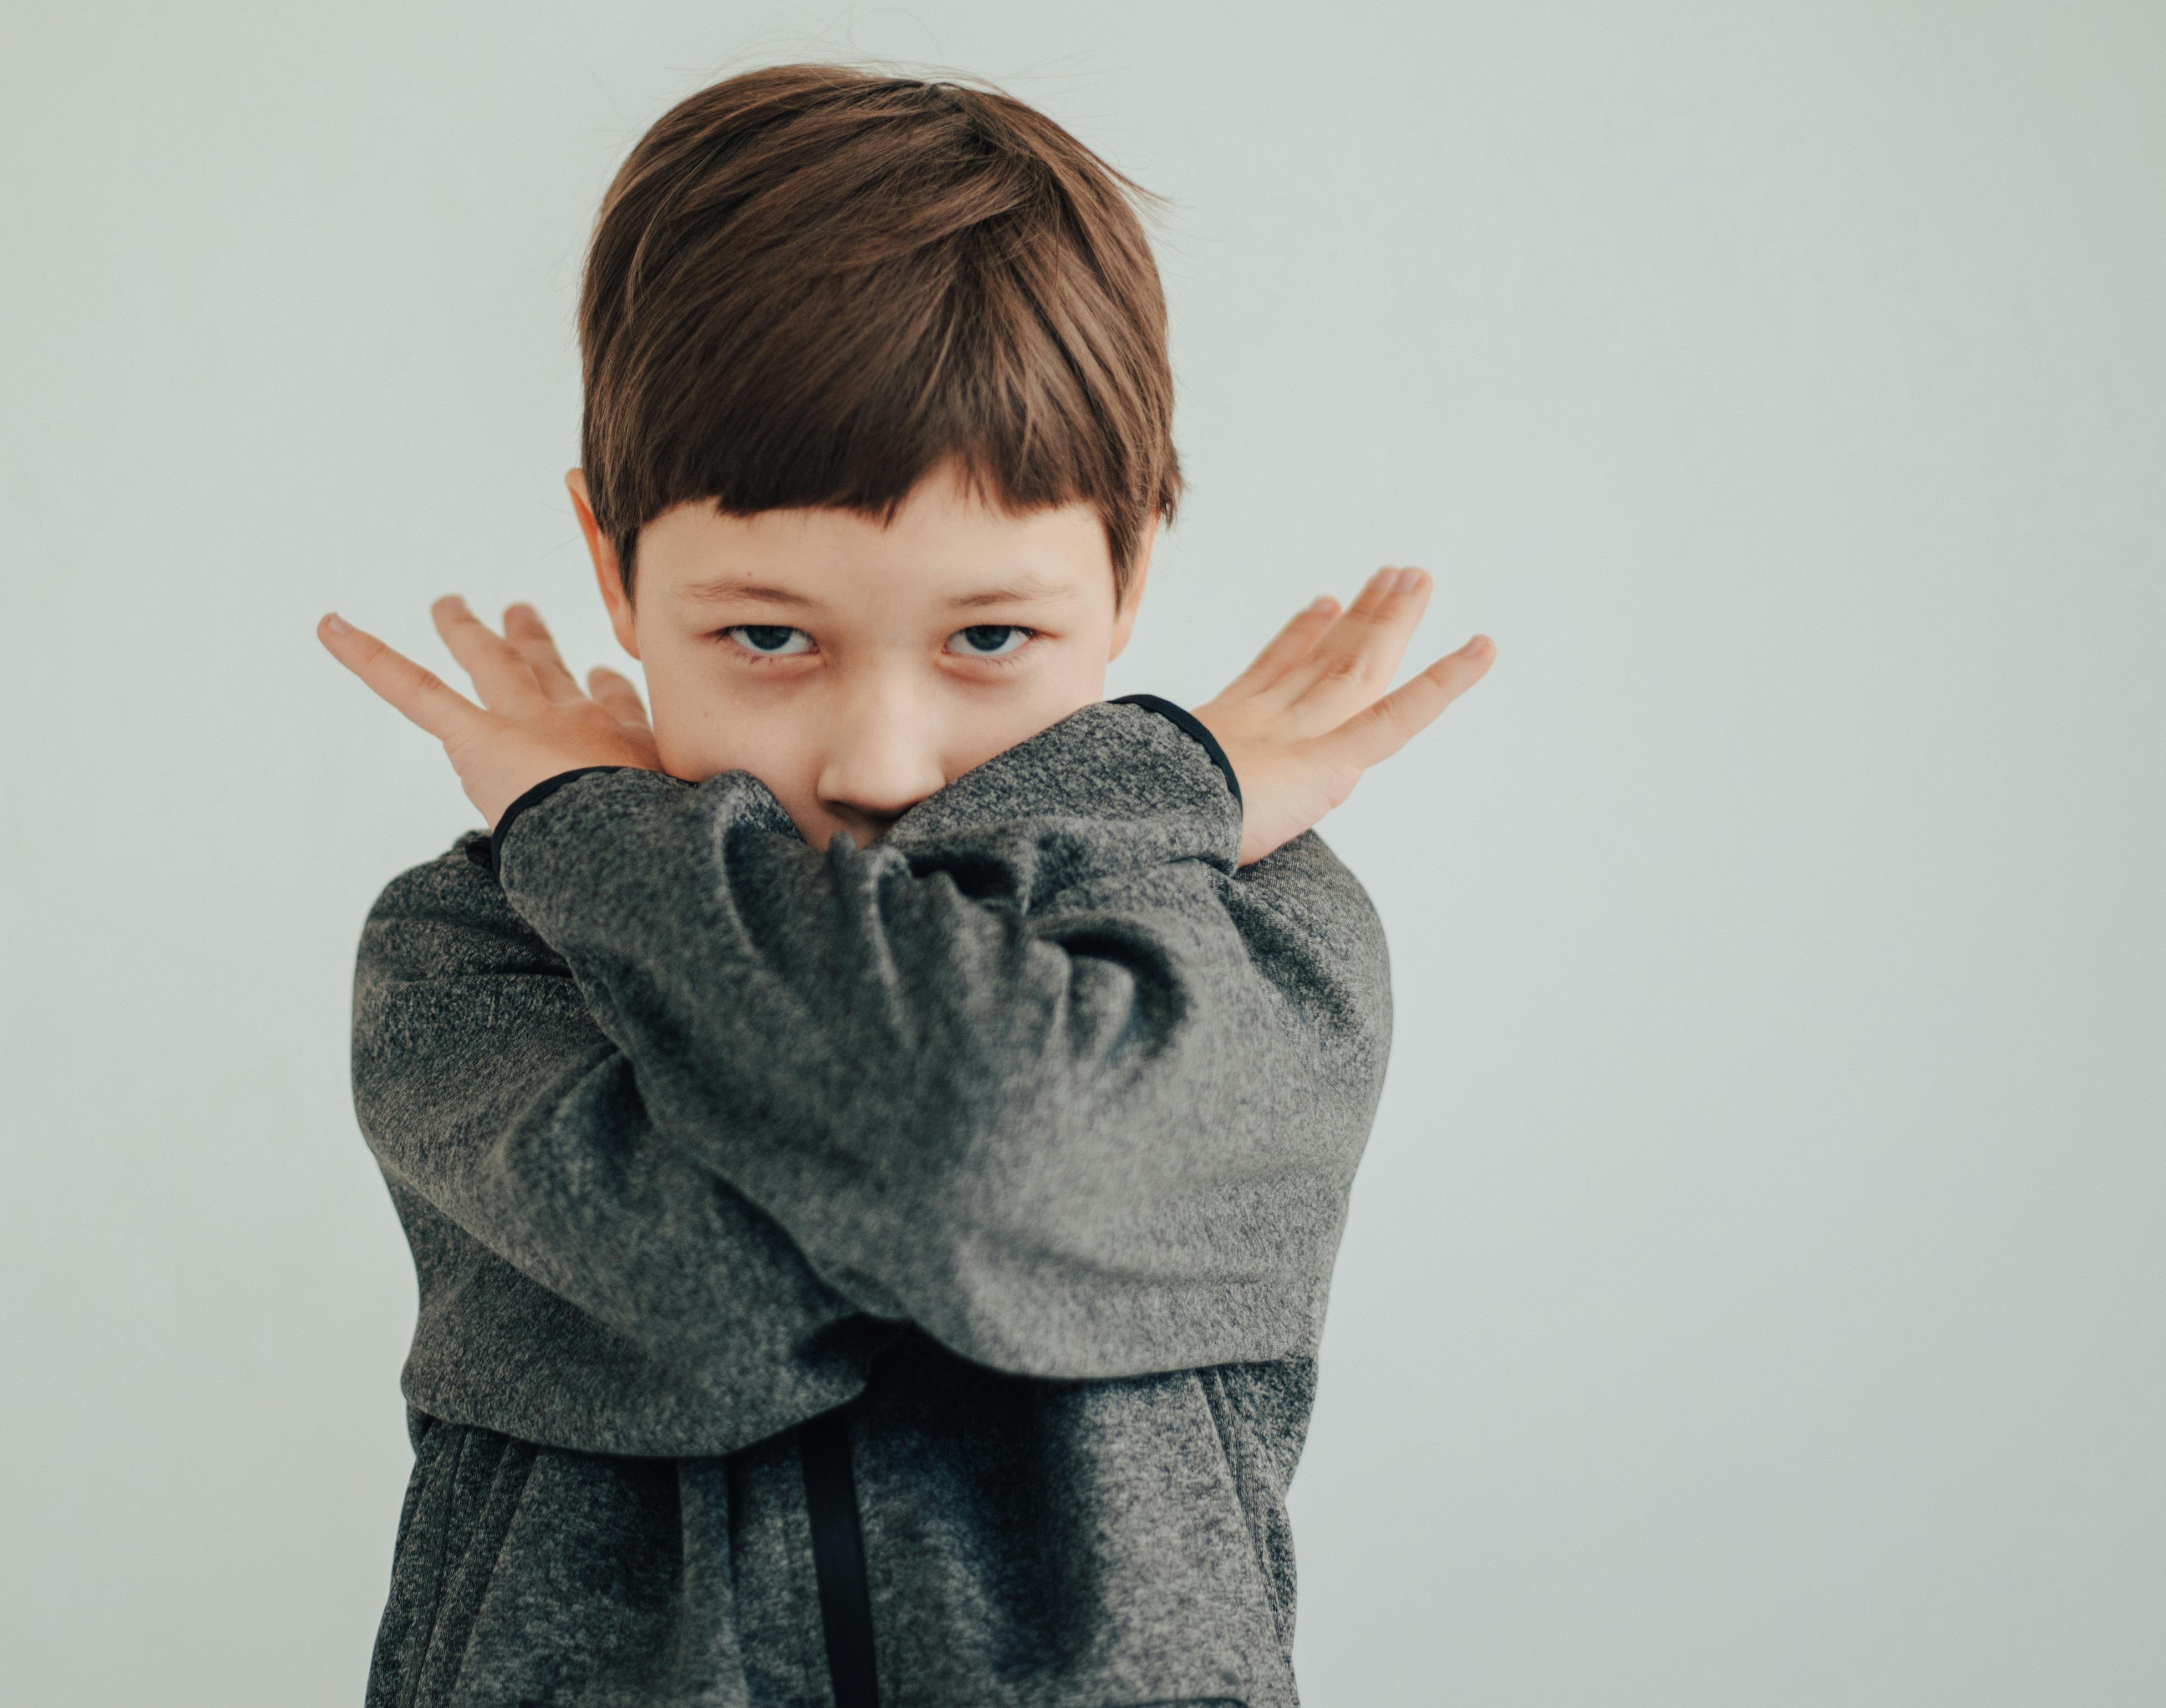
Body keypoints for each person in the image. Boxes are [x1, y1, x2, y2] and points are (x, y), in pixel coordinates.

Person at [314, 61, 1492, 1708]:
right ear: (612, 565)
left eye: (989, 638)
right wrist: (580, 844)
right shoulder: (489, 942)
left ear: (1128, 572)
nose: (882, 757)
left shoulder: (1263, 941)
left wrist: (594, 813)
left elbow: (957, 1156)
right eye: (770, 636)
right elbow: (713, 1311)